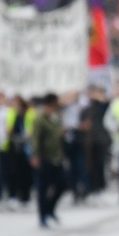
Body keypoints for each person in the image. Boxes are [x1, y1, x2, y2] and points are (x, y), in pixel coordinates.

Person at [32, 93, 67, 228]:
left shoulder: (56, 117)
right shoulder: (40, 118)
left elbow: (58, 133)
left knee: (62, 184)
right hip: (44, 157)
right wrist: (35, 156)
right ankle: (42, 216)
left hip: (56, 157)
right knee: (43, 188)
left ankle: (50, 209)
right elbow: (35, 138)